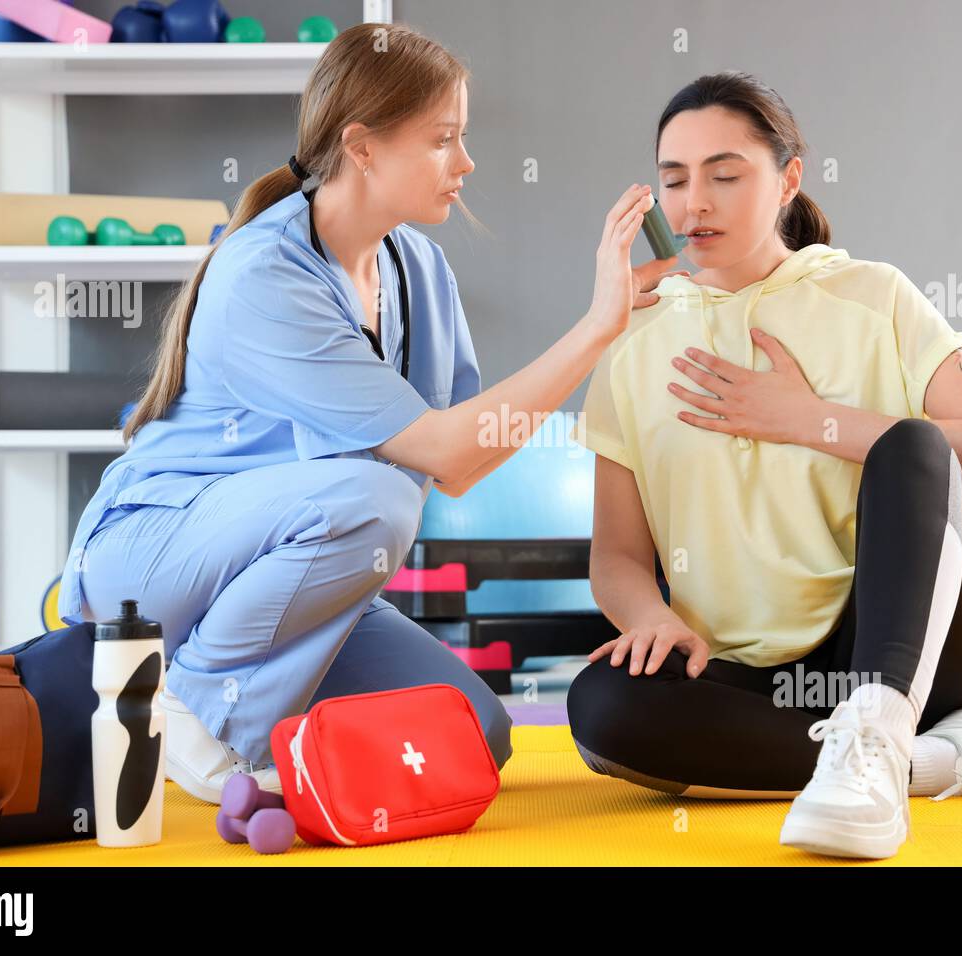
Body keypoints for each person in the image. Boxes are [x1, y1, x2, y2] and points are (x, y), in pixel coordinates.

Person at [59, 23, 679, 804]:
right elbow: (438, 456)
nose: (466, 163)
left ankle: (262, 729)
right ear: (362, 146)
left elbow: (464, 464)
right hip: (151, 562)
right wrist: (597, 327)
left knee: (471, 733)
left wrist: (604, 331)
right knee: (376, 496)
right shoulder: (265, 272)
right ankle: (183, 702)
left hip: (287, 578)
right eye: (442, 140)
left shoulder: (417, 265)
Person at [566, 71, 962, 859]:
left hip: (911, 654)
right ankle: (935, 760)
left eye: (726, 175)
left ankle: (881, 722)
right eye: (675, 180)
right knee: (602, 712)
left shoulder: (873, 295)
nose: (695, 203)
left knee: (913, 441)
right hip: (747, 676)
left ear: (788, 180)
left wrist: (810, 422)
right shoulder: (629, 338)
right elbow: (617, 557)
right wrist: (652, 620)